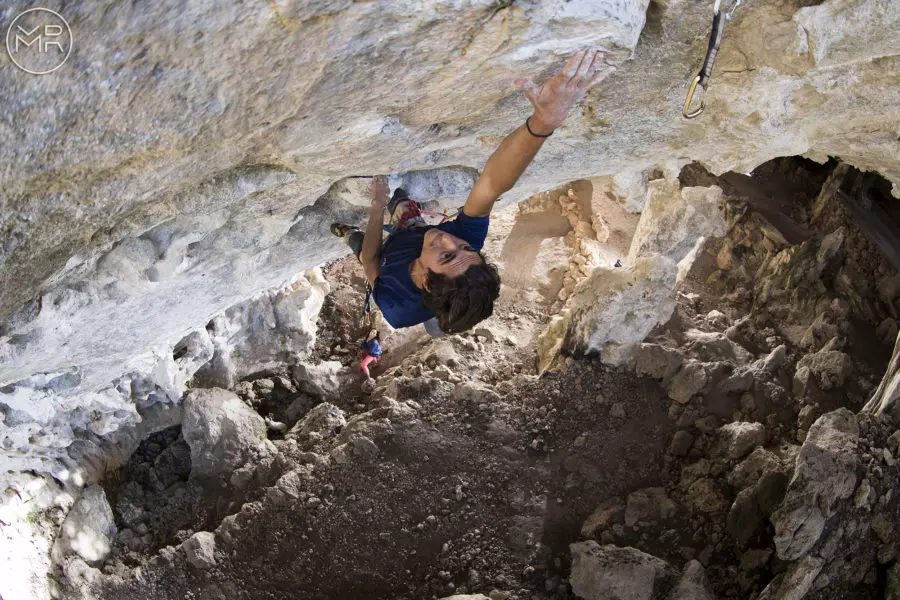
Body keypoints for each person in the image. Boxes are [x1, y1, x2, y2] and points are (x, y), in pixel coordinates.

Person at [331, 48, 615, 335]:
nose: (448, 240)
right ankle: (441, 314)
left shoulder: (398, 308)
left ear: (427, 281)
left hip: (398, 265)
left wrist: (377, 206)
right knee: (403, 205)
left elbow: (370, 260)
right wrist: (543, 123)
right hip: (412, 239)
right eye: (463, 248)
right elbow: (490, 185)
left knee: (359, 243)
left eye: (446, 257)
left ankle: (348, 233)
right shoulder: (465, 245)